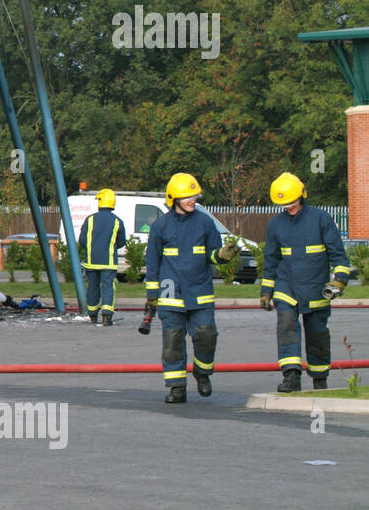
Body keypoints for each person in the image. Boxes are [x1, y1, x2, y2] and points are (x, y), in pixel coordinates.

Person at [140, 173, 238, 403]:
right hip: (170, 291)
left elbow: (212, 254)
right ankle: (176, 387)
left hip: (200, 289)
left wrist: (222, 256)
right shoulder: (160, 226)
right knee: (173, 340)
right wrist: (152, 297)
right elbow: (152, 264)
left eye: (194, 195)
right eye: (187, 197)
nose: (192, 200)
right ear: (174, 198)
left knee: (206, 334)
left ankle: (202, 373)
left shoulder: (205, 222)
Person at [259, 172, 351, 392]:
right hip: (286, 286)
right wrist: (266, 290)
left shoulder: (321, 219)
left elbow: (338, 255)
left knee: (317, 332)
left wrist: (340, 280)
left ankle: (320, 380)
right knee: (286, 327)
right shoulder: (275, 225)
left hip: (316, 287)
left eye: (292, 202)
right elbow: (271, 260)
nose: (289, 207)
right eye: (284, 204)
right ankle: (291, 377)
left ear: (302, 195)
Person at [77, 188, 126, 326]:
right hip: (109, 262)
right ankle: (106, 317)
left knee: (92, 287)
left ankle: (92, 315)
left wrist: (91, 249)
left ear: (100, 202)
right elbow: (121, 242)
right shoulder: (117, 221)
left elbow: (82, 240)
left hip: (91, 261)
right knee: (108, 287)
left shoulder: (90, 219)